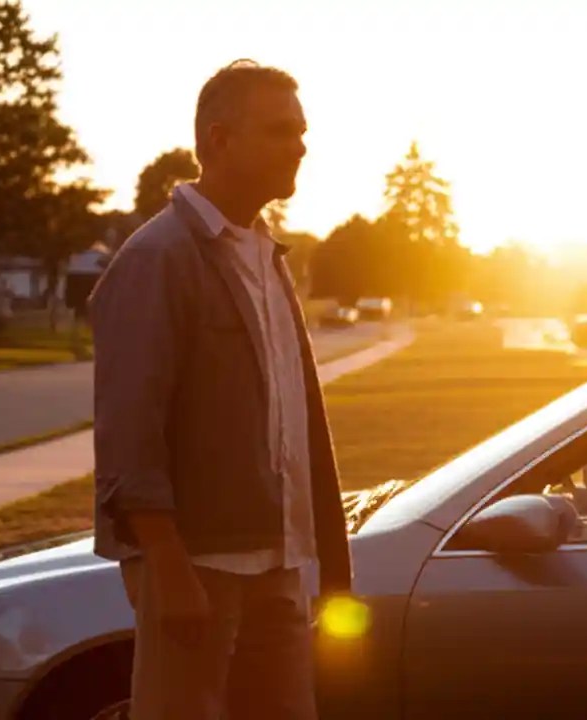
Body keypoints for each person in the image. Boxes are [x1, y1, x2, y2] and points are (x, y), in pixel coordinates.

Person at [89, 59, 351, 720]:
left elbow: (298, 417)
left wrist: (331, 563)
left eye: (301, 130)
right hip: (197, 567)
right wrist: (166, 563)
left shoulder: (266, 257)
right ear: (216, 141)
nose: (300, 145)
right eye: (280, 130)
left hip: (279, 564)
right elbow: (129, 430)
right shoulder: (159, 258)